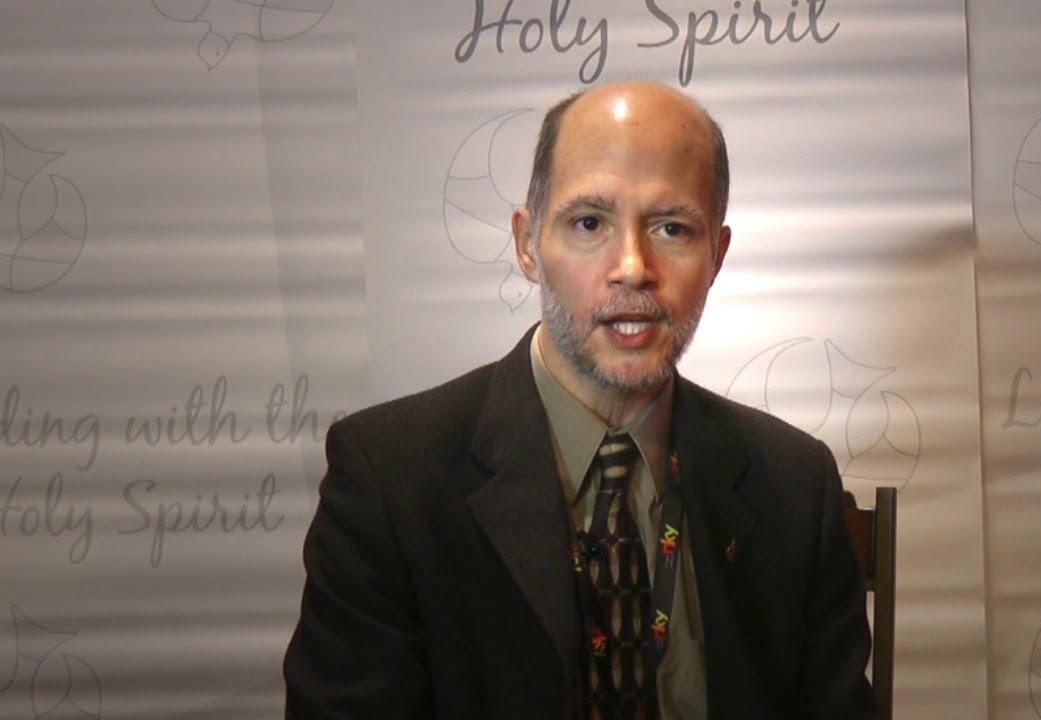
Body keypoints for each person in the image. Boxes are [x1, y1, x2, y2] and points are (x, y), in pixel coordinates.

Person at [283, 81, 875, 719]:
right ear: (527, 244)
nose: (633, 266)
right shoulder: (389, 482)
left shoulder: (795, 484)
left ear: (716, 257)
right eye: (590, 223)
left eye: (673, 228)